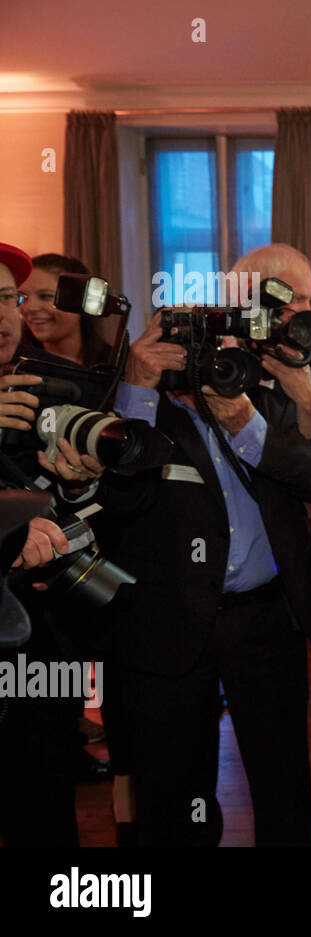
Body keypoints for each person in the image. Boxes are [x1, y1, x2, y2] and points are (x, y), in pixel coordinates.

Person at [93, 308, 311, 845]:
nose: (197, 357)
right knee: (174, 793)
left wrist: (244, 425)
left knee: (284, 785)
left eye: (208, 344)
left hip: (266, 621)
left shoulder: (261, 404)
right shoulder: (131, 412)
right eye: (179, 342)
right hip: (167, 628)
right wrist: (137, 393)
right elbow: (116, 505)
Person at [0, 242, 108, 846]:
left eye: (4, 298)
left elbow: (76, 520)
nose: (3, 314)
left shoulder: (42, 388)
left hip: (38, 642)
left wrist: (74, 488)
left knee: (43, 808)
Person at [230, 243, 311, 439]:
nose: (307, 311)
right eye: (297, 298)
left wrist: (307, 403)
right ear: (251, 294)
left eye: (310, 301)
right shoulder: (212, 353)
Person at [18, 253, 114, 367]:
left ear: (82, 300)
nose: (29, 308)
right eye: (23, 297)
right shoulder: (13, 362)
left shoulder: (115, 364)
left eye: (45, 296)